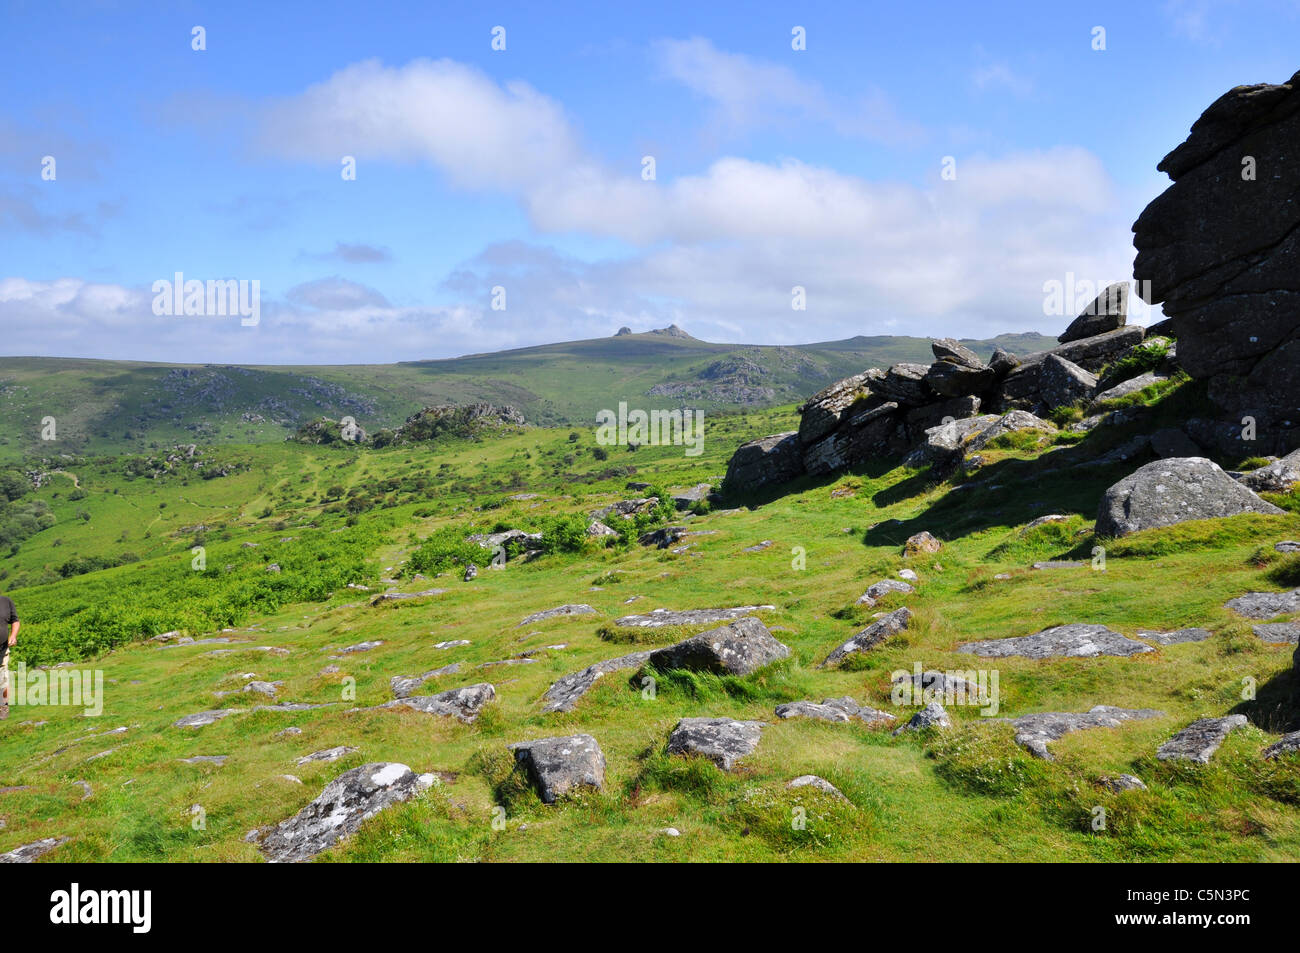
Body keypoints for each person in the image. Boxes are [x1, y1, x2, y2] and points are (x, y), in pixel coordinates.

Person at [0, 594, 18, 720]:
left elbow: (15, 621)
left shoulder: (6, 601)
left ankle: (4, 707)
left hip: (2, 648)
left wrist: (13, 635)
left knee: (3, 679)